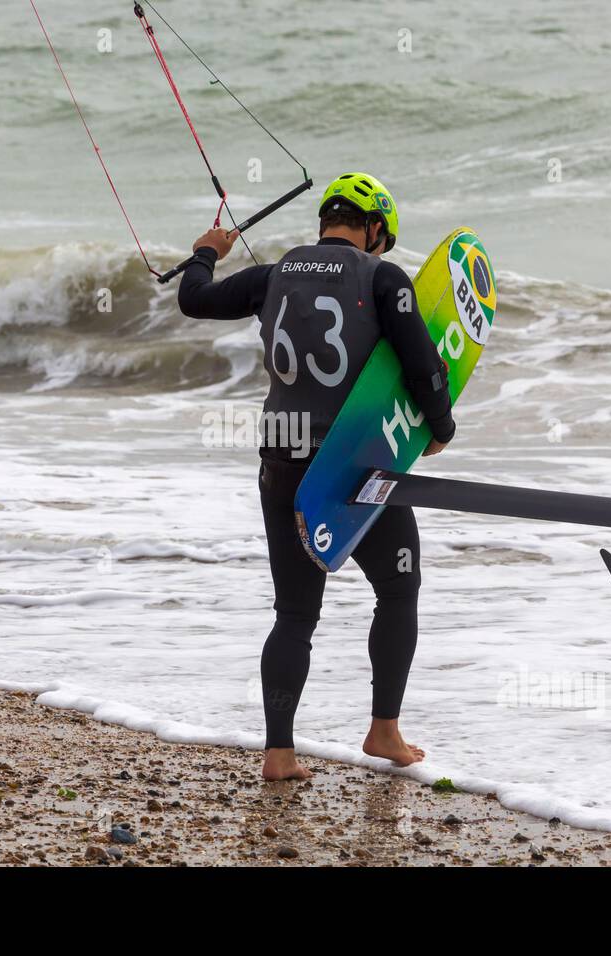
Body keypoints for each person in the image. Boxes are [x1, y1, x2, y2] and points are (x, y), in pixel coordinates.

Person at [178, 173, 456, 780]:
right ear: (375, 228)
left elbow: (193, 298)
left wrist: (207, 251)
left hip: (280, 456)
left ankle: (279, 755)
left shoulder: (272, 275)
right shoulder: (382, 278)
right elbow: (423, 364)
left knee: (295, 614)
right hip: (352, 463)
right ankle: (384, 730)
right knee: (397, 589)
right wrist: (440, 427)